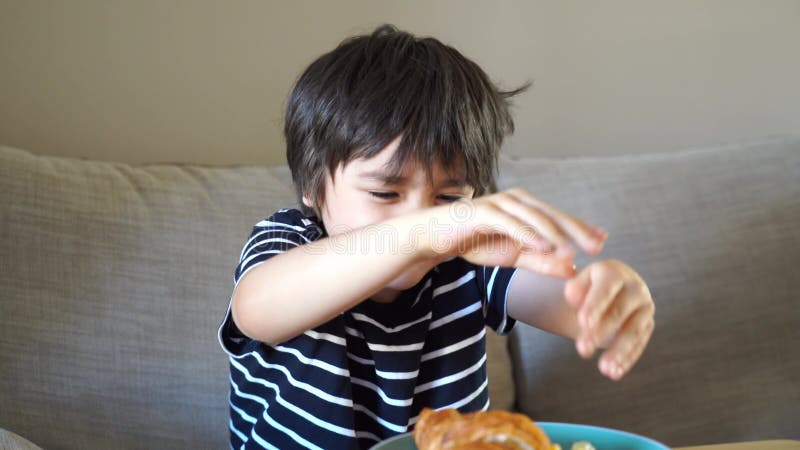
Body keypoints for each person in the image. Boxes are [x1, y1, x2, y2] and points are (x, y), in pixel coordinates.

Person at [217, 24, 655, 450]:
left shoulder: (465, 258)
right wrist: (425, 232)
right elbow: (256, 311)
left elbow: (572, 308)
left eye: (447, 197)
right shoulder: (288, 242)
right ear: (313, 186)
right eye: (386, 192)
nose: (423, 216)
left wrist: (608, 297)